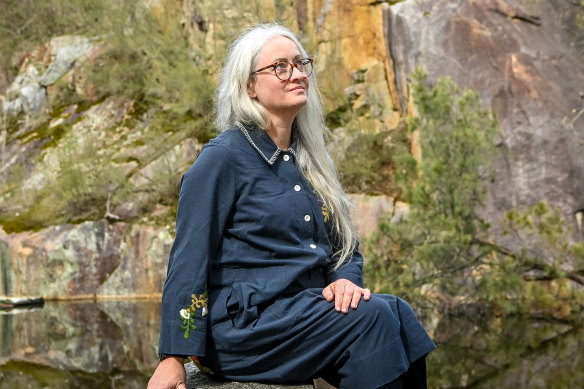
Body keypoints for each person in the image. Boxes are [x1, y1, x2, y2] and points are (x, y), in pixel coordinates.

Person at [148, 22, 436, 389]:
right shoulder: (222, 159)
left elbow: (344, 246)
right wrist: (172, 357)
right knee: (375, 317)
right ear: (248, 86)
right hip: (244, 329)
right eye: (280, 66)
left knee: (399, 315)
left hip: (305, 314)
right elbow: (189, 262)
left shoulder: (313, 161)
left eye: (301, 63)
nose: (297, 73)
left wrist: (345, 281)